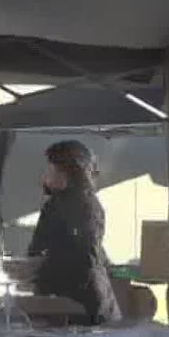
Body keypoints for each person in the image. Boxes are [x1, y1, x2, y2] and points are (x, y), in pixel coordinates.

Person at [29, 140, 122, 327]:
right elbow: (37, 248)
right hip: (61, 303)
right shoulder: (53, 206)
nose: (47, 175)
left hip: (88, 306)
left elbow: (84, 258)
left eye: (53, 170)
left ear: (70, 173)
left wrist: (45, 275)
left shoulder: (87, 207)